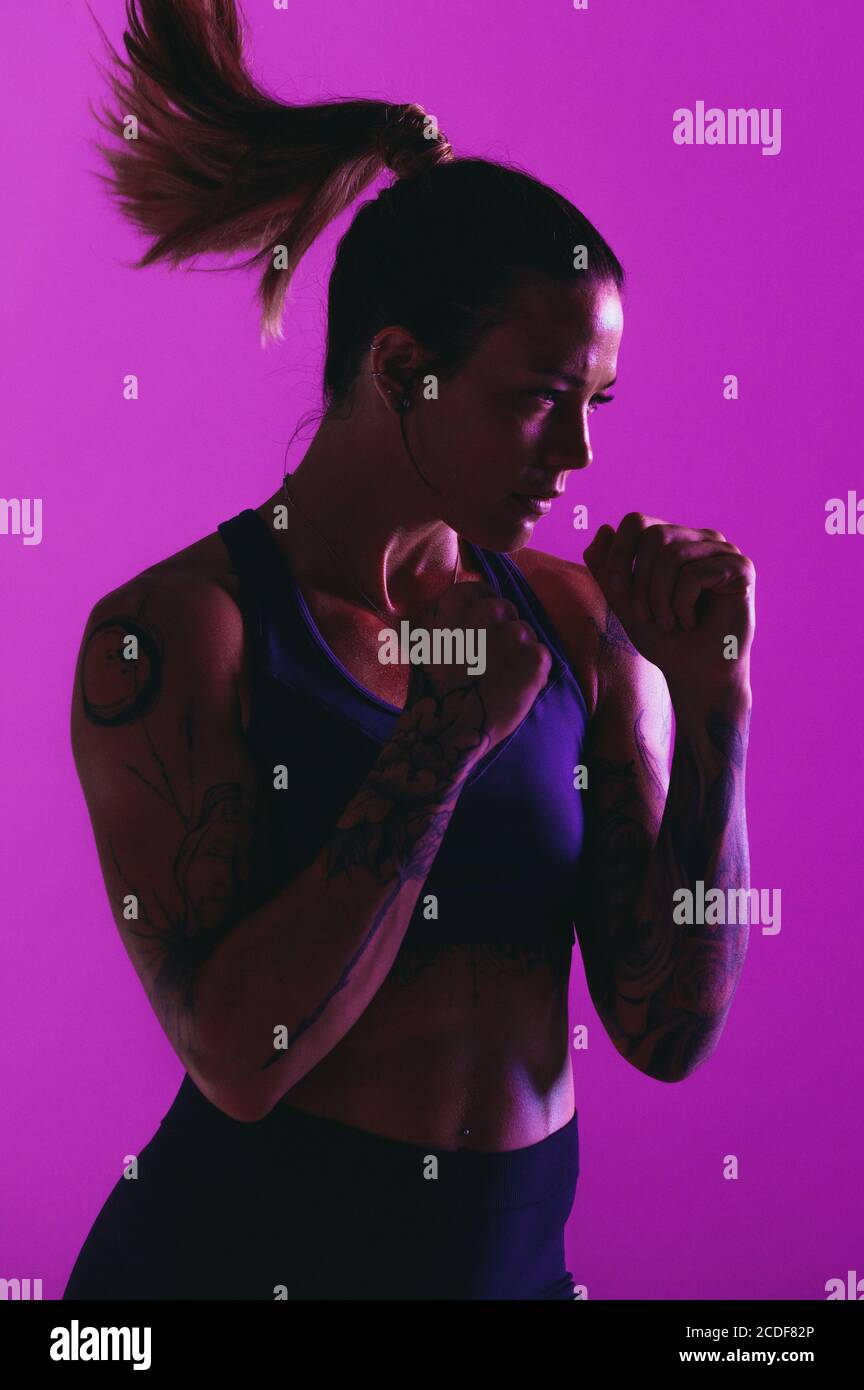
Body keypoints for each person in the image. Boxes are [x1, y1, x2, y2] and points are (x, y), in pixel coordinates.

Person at [64, 0, 755, 1301]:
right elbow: (244, 1054)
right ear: (400, 367)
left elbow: (667, 1031)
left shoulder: (581, 629)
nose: (580, 458)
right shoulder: (179, 636)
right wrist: (442, 738)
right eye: (540, 401)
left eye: (594, 404)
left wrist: (716, 709)